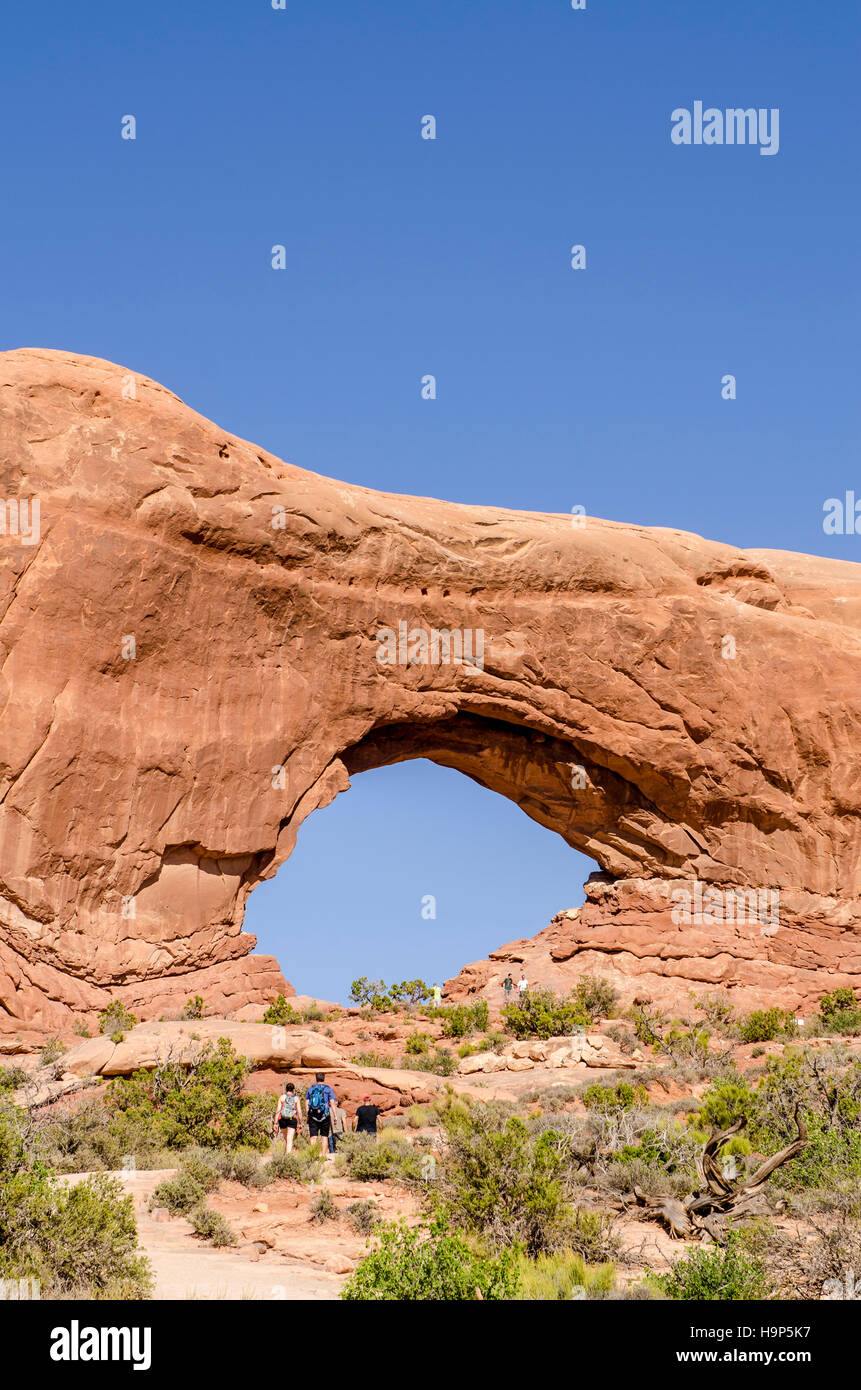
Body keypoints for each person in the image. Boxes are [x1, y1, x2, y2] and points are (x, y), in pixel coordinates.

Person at [305, 1072, 338, 1156]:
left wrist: (307, 1114)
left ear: (316, 1078)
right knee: (324, 1136)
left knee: (313, 1136)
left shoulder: (311, 1089)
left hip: (313, 1115)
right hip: (325, 1115)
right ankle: (323, 1156)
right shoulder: (328, 1089)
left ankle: (313, 1155)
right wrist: (335, 1115)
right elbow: (332, 1102)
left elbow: (307, 1102)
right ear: (324, 1078)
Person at [273, 1082, 302, 1153]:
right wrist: (300, 1123)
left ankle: (285, 1155)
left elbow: (278, 1111)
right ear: (293, 1090)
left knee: (286, 1138)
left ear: (286, 1089)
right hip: (292, 1119)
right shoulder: (296, 1098)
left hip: (282, 1119)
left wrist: (275, 1123)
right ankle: (288, 1156)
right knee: (290, 1138)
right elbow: (299, 1112)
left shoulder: (282, 1097)